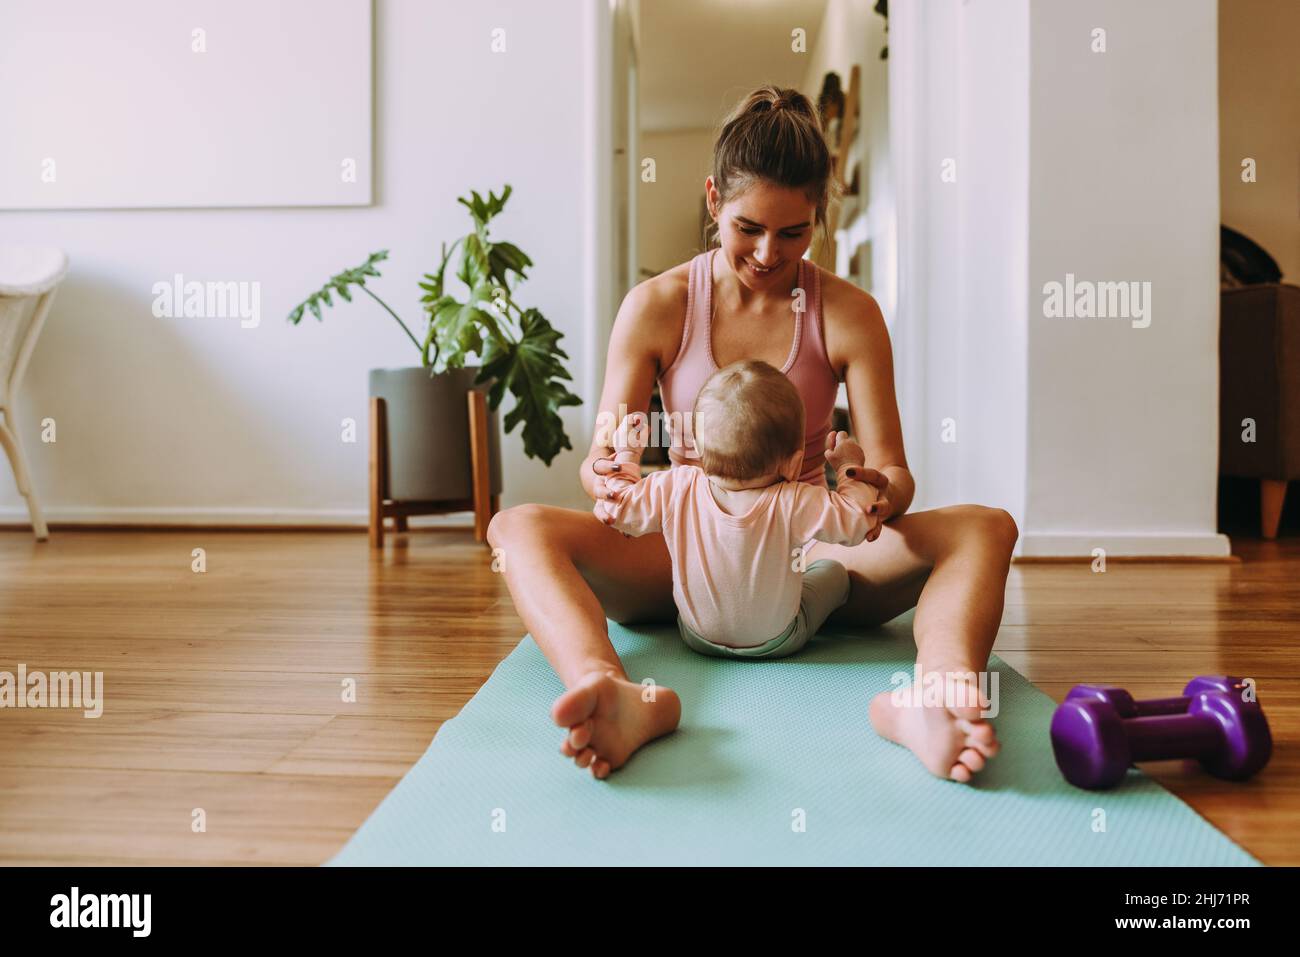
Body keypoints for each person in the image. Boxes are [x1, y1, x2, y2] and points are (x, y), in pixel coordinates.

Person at [487, 84, 1017, 783]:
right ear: (713, 200)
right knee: (516, 526)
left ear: (818, 218)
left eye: (793, 232)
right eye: (748, 228)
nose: (769, 253)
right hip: (685, 552)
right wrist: (611, 473)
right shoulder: (656, 306)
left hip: (812, 547)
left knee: (987, 526)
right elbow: (603, 458)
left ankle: (939, 696)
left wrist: (870, 489)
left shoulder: (851, 313)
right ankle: (610, 691)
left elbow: (896, 473)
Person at [596, 360, 879, 659]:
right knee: (834, 573)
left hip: (696, 635)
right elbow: (857, 520)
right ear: (794, 463)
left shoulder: (676, 486)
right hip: (778, 640)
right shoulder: (794, 499)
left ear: (700, 452)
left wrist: (627, 452)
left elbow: (620, 509)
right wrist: (849, 466)